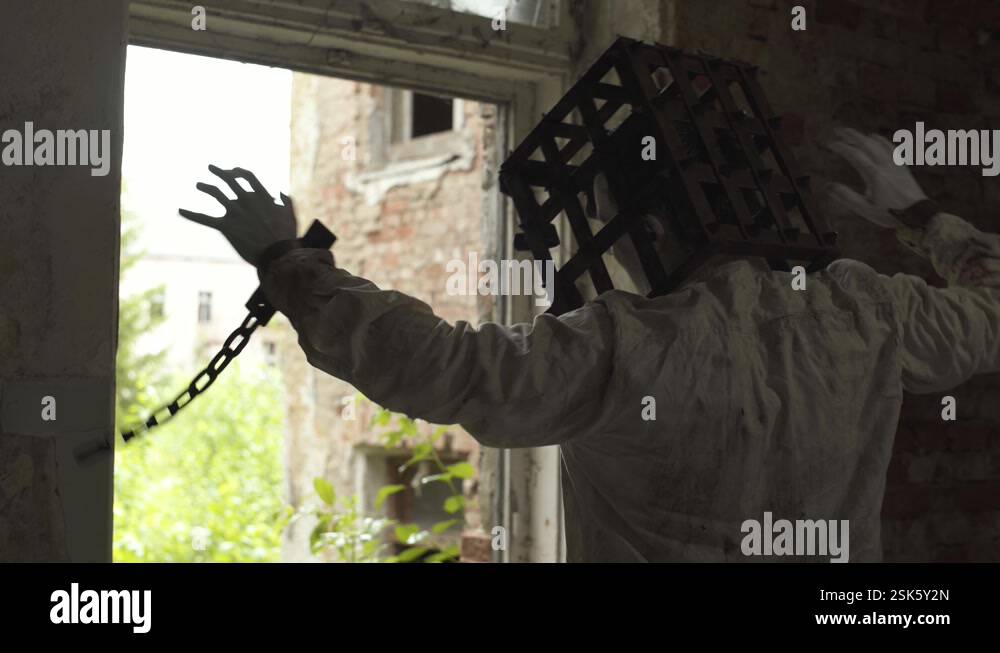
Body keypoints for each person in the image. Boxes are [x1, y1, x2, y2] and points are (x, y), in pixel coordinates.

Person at [179, 129, 1000, 562]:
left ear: (644, 226)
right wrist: (919, 215)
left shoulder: (623, 349)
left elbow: (443, 365)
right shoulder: (870, 313)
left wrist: (289, 263)